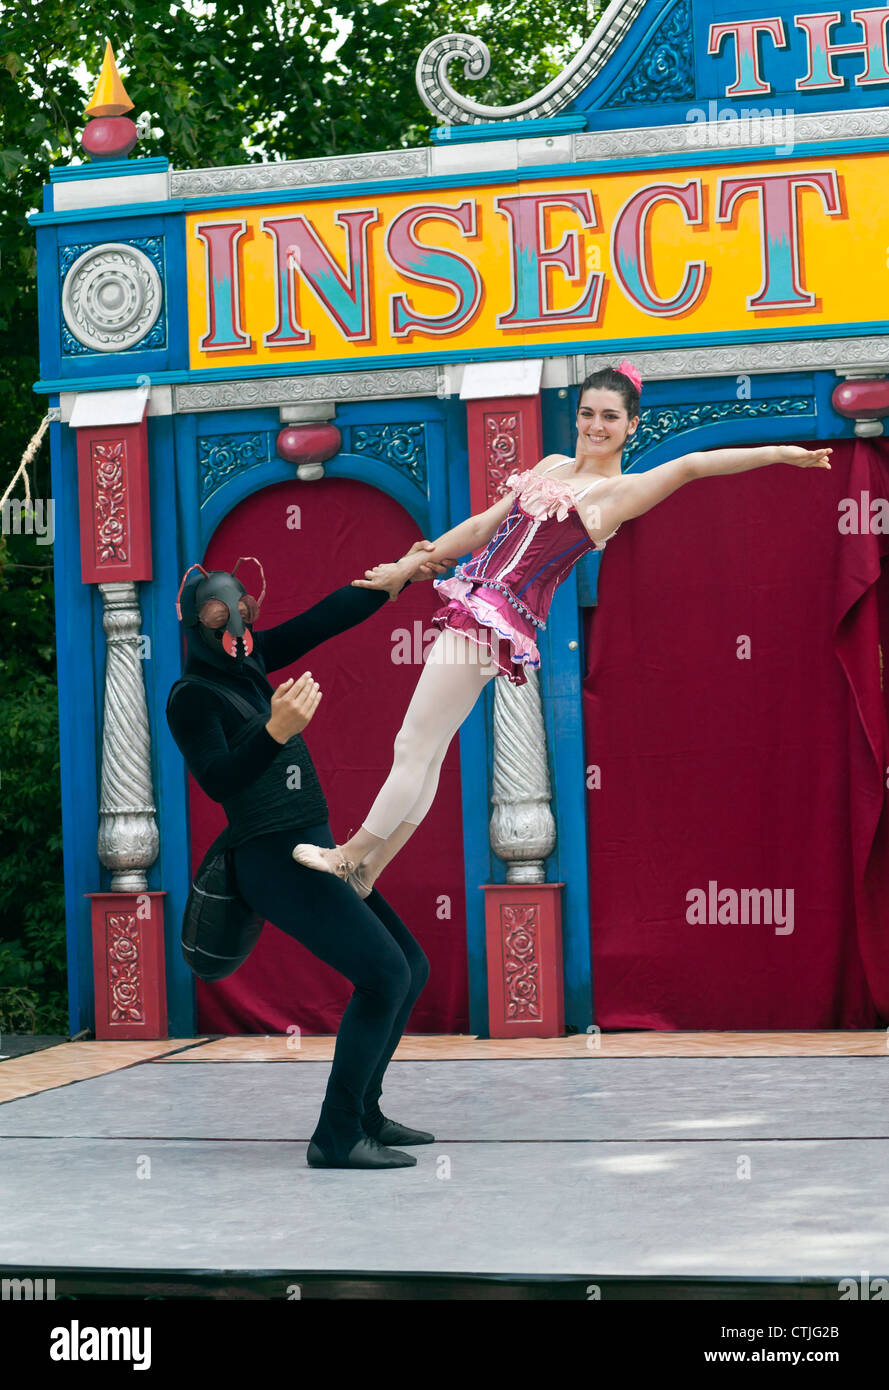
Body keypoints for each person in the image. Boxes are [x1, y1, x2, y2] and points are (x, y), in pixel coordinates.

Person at [293, 359, 833, 896]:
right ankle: (369, 868)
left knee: (412, 744)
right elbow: (484, 526)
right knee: (427, 752)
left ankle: (350, 856)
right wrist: (409, 566)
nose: (596, 426)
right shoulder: (551, 465)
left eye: (610, 417)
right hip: (477, 604)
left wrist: (779, 454)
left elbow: (691, 465)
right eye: (587, 413)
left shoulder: (618, 494)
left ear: (632, 425)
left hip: (489, 621)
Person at [165, 545, 448, 1170]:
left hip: (315, 851)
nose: (237, 626)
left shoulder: (253, 662)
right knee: (384, 976)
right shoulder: (191, 696)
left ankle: (364, 1112)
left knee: (409, 965)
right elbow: (218, 780)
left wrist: (398, 575)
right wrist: (274, 730)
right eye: (220, 616)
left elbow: (326, 617)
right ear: (194, 624)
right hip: (271, 857)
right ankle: (337, 1135)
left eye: (243, 611)